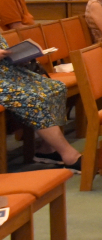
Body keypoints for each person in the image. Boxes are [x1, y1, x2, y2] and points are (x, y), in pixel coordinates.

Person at [0, 35, 82, 171]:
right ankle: (69, 155)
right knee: (33, 99)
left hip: (11, 75)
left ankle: (47, 149)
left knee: (56, 88)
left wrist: (20, 59)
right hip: (3, 83)